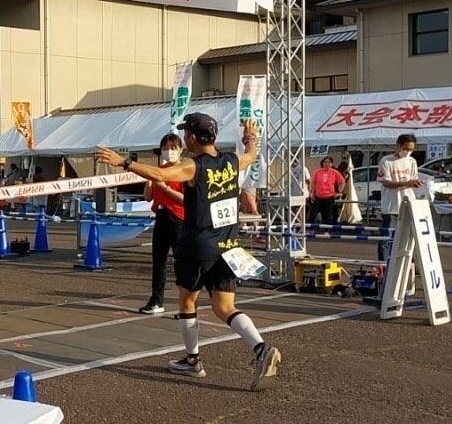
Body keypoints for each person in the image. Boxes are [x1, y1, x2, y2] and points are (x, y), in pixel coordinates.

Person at [98, 112, 281, 389]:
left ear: (193, 137)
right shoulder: (232, 160)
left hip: (197, 244)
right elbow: (251, 155)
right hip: (228, 245)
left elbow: (160, 174)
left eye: (186, 134)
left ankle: (192, 361)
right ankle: (260, 348)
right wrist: (251, 137)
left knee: (187, 301)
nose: (183, 139)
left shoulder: (194, 166)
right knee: (225, 307)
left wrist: (124, 162)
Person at [139, 134, 185, 315]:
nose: (169, 152)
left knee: (182, 263)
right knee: (158, 261)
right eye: (166, 148)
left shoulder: (184, 170)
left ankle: (186, 305)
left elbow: (186, 200)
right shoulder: (158, 170)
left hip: (179, 218)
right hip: (161, 216)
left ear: (181, 149)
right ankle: (156, 300)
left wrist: (165, 187)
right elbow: (148, 196)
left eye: (173, 148)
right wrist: (149, 180)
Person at [377, 135, 420, 230]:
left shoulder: (412, 161)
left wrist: (416, 183)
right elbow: (386, 182)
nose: (408, 152)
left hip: (408, 204)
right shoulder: (386, 161)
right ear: (398, 146)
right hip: (391, 206)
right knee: (388, 238)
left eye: (411, 149)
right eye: (406, 148)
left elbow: (413, 180)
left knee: (406, 237)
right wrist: (405, 183)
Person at [309, 156, 346, 226]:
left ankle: (326, 231)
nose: (327, 164)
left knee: (327, 216)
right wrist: (312, 193)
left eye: (329, 162)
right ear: (322, 163)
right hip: (318, 196)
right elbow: (313, 183)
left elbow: (342, 182)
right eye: (325, 162)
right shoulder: (318, 172)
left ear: (331, 164)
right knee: (312, 213)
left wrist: (339, 192)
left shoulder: (334, 172)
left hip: (329, 197)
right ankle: (311, 229)